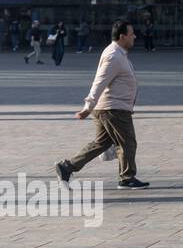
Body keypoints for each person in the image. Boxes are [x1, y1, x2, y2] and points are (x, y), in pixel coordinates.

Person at [55, 20, 150, 189]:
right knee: (127, 142)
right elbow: (99, 81)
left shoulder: (118, 53)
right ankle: (127, 178)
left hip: (111, 107)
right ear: (122, 36)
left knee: (102, 143)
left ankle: (66, 167)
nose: (134, 36)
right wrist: (88, 106)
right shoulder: (114, 55)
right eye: (131, 33)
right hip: (113, 108)